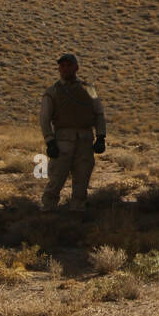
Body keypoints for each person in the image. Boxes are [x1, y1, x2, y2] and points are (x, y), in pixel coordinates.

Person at [39, 53, 106, 212]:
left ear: (76, 67)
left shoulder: (89, 89)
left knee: (82, 181)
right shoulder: (52, 91)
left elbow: (99, 113)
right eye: (62, 66)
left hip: (85, 141)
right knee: (56, 180)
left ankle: (78, 212)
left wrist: (101, 136)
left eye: (69, 65)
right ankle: (48, 211)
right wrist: (49, 141)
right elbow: (44, 118)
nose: (65, 69)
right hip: (63, 142)